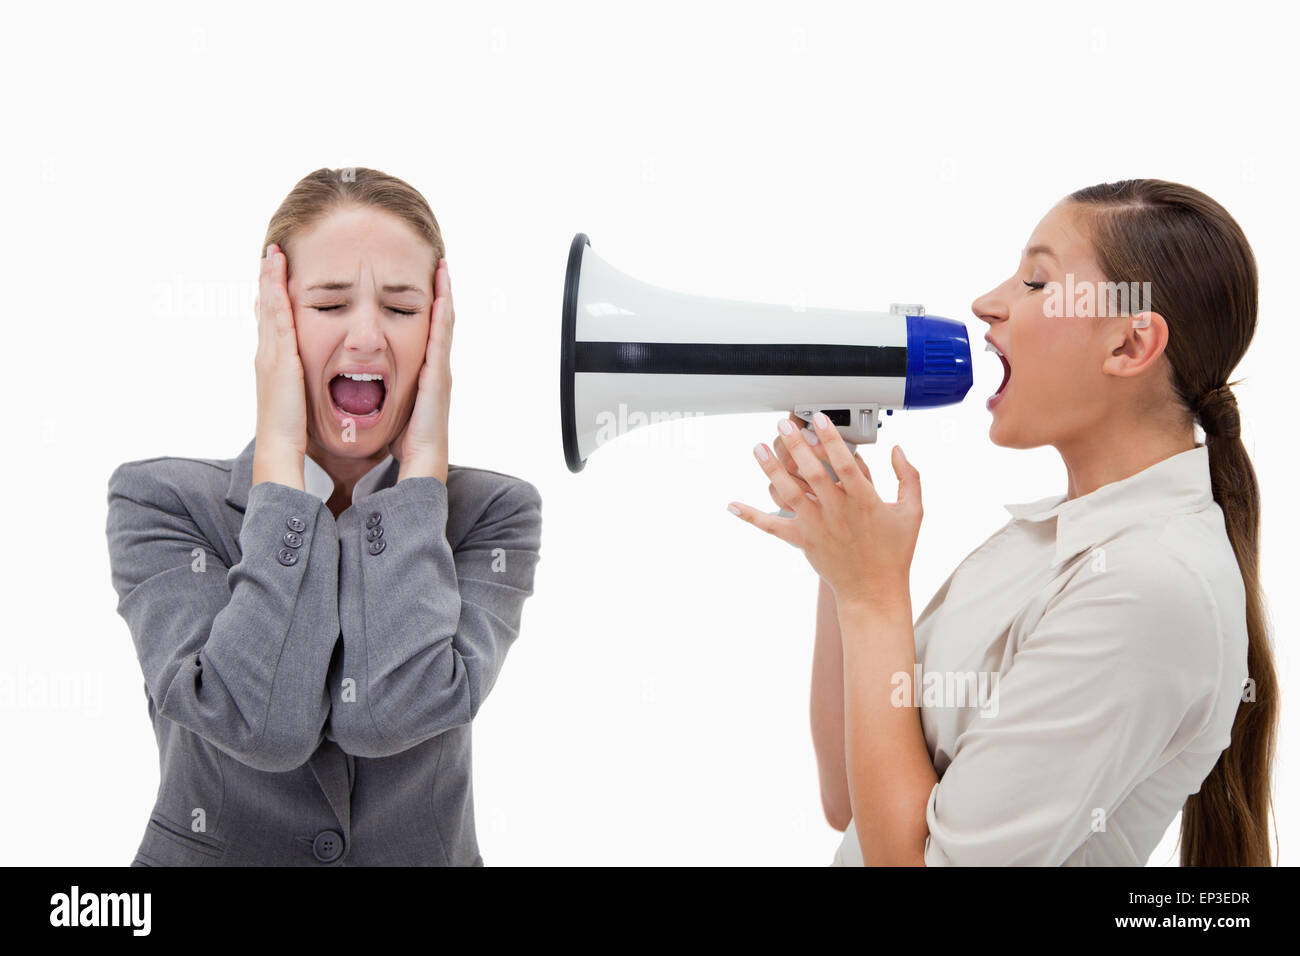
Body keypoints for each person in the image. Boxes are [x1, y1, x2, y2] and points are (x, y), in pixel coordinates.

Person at [728, 179, 1276, 866]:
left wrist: (873, 594)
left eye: (1036, 281)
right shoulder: (1059, 542)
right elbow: (851, 800)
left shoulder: (1147, 586)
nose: (987, 304)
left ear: (1131, 346)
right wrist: (844, 562)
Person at [105, 166, 542, 865]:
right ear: (274, 319)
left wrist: (423, 463)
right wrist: (281, 458)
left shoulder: (493, 516)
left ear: (439, 331)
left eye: (402, 309)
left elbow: (390, 711)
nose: (368, 337)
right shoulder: (160, 504)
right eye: (330, 305)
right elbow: (259, 724)